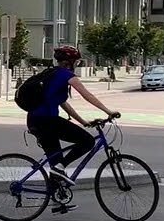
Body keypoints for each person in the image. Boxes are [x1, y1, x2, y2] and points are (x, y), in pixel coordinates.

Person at [28, 45, 122, 198]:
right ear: (68, 62)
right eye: (76, 62)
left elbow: (63, 103)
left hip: (35, 120)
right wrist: (108, 111)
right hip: (47, 121)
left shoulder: (51, 74)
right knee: (87, 141)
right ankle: (60, 169)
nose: (76, 65)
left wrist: (83, 122)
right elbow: (87, 95)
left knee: (56, 162)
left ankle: (57, 199)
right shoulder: (65, 74)